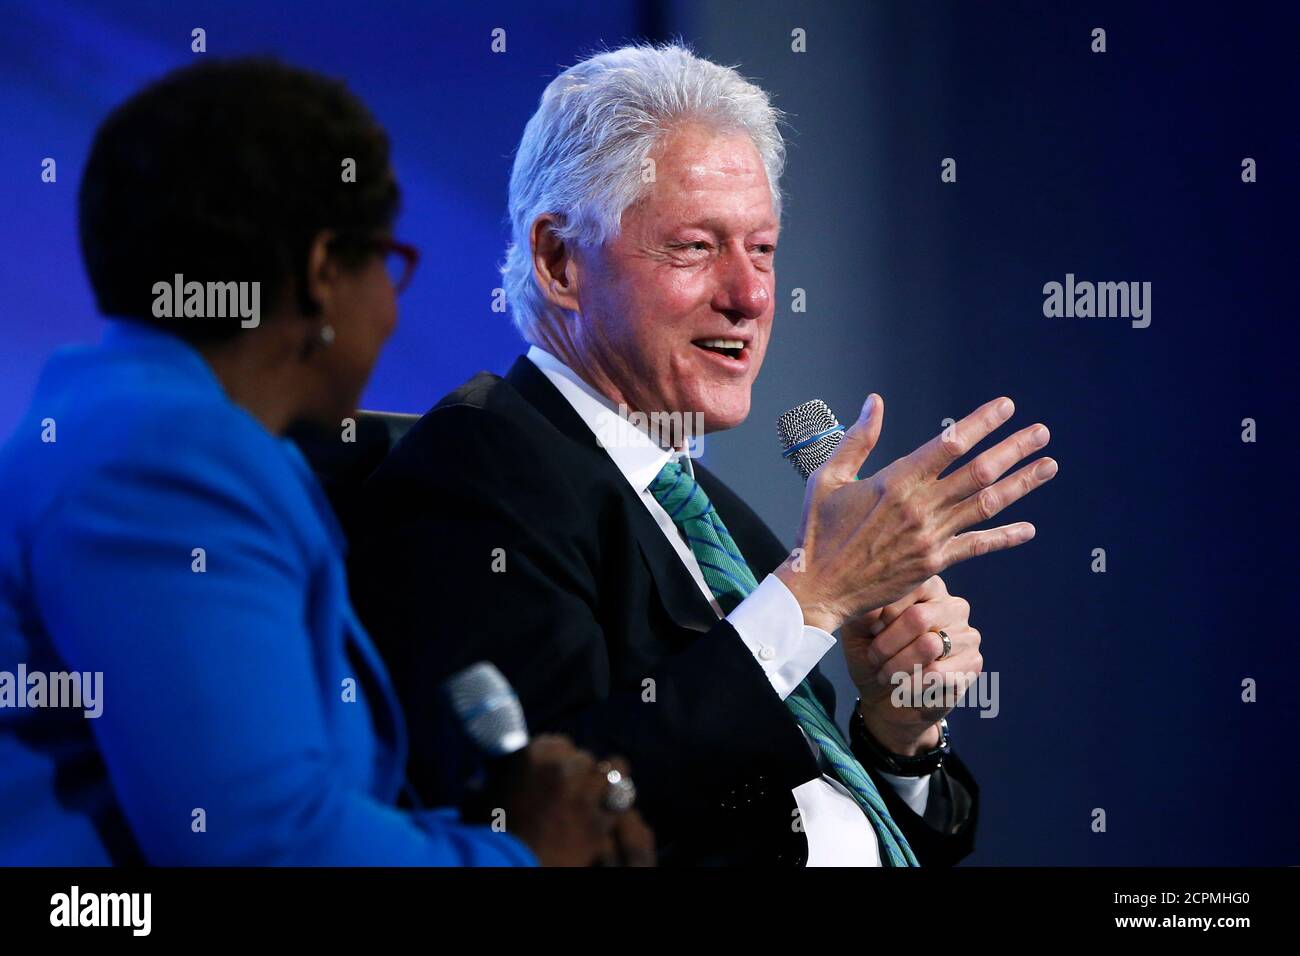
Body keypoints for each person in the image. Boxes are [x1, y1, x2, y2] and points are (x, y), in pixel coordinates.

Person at [349, 44, 1057, 866]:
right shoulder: (478, 469)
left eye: (762, 248)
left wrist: (899, 738)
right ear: (558, 262)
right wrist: (812, 598)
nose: (752, 295)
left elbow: (807, 821)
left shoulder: (717, 521)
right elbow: (542, 819)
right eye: (695, 247)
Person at [0, 58, 651, 867]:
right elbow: (262, 846)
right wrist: (522, 853)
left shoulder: (131, 428)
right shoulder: (168, 464)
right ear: (321, 273)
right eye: (387, 261)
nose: (389, 306)